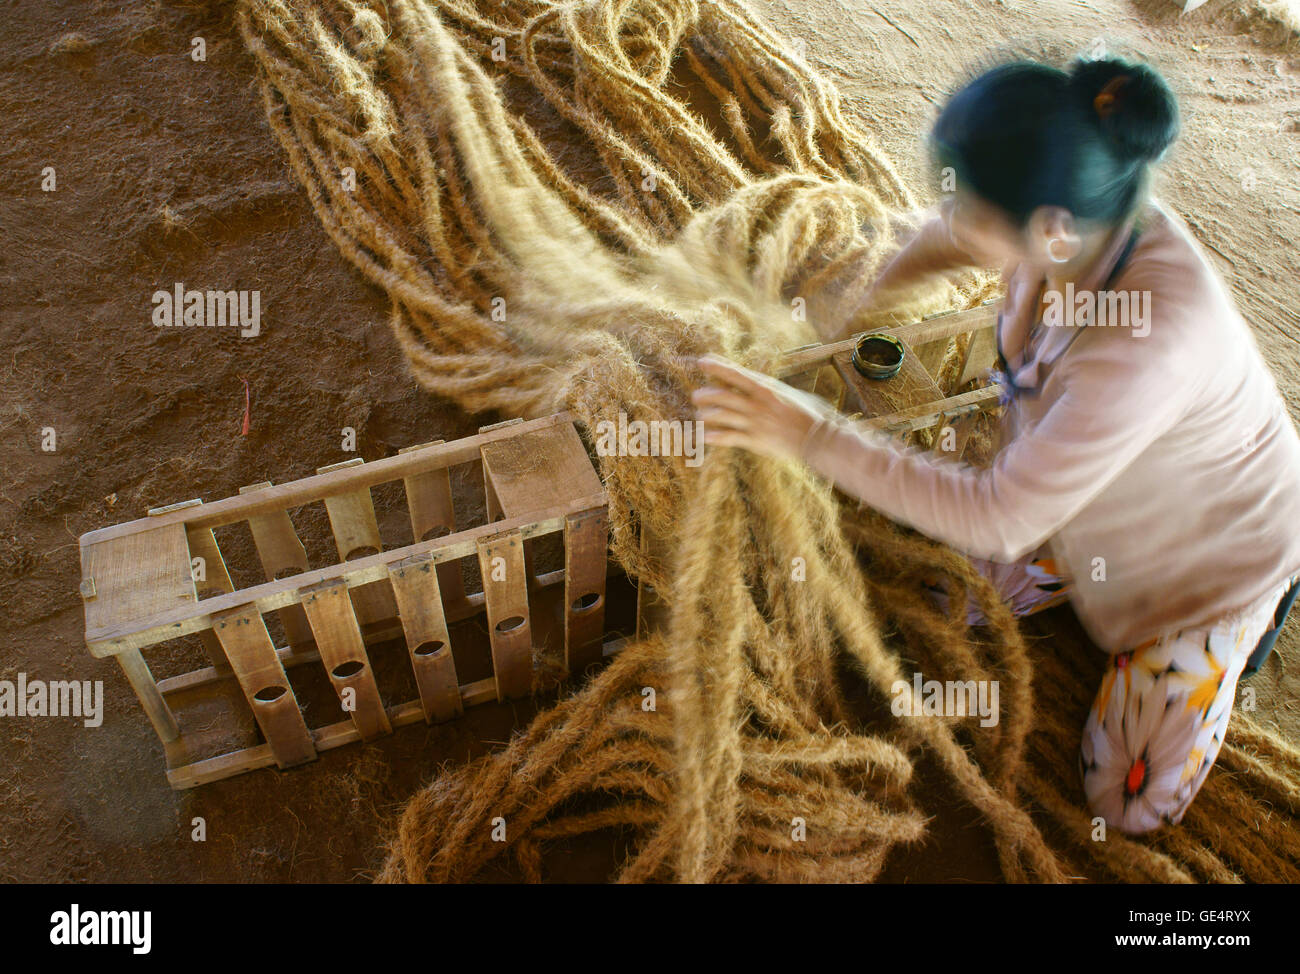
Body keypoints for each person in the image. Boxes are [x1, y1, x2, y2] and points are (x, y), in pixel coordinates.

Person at [691, 55, 1300, 835]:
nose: (953, 216)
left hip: (1215, 548)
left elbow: (999, 518)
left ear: (1049, 229)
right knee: (941, 603)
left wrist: (806, 431)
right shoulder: (1080, 215)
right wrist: (858, 300)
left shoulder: (1148, 342)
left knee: (1126, 800)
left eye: (972, 205)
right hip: (1087, 488)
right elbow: (952, 238)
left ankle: (1252, 611)